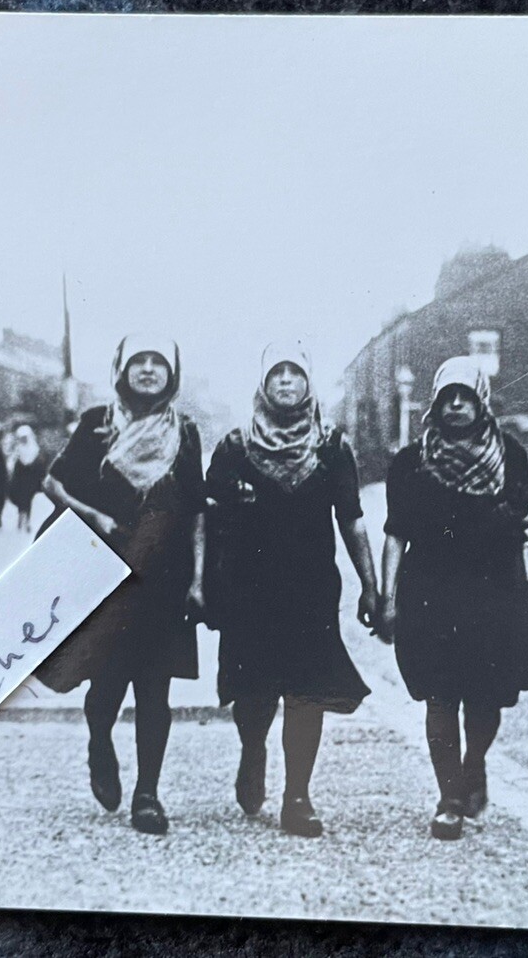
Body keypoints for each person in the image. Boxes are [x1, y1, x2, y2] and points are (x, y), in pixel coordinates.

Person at [204, 342, 383, 838]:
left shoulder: (332, 448)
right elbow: (208, 520)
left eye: (295, 373)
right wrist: (203, 583)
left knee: (306, 692)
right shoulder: (235, 447)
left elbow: (352, 521)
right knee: (254, 693)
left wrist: (371, 585)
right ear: (263, 384)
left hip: (310, 591)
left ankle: (297, 797)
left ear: (308, 383)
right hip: (249, 590)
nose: (286, 381)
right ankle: (252, 753)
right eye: (276, 373)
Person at [35, 335, 205, 836]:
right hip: (105, 571)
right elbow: (52, 483)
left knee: (155, 688)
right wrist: (96, 518)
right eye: (139, 362)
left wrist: (197, 579)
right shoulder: (98, 424)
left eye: (158, 363)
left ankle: (147, 795)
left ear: (172, 373)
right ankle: (99, 746)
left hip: (164, 574)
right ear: (122, 369)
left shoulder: (185, 433)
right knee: (105, 684)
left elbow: (196, 512)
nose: (149, 370)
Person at [376, 356, 528, 841]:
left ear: (481, 402)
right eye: (447, 398)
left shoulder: (507, 452)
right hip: (429, 591)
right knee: (440, 695)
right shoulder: (412, 462)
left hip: (493, 590)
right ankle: (449, 797)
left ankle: (474, 764)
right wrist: (388, 598)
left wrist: (523, 511)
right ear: (435, 403)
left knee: (485, 696)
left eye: (465, 397)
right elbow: (395, 535)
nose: (455, 406)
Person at [6, 423, 46, 533]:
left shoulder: (35, 449)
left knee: (28, 501)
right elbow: (14, 465)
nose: (23, 440)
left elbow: (40, 467)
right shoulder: (18, 450)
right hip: (20, 480)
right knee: (21, 500)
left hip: (31, 480)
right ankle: (21, 517)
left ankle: (27, 520)